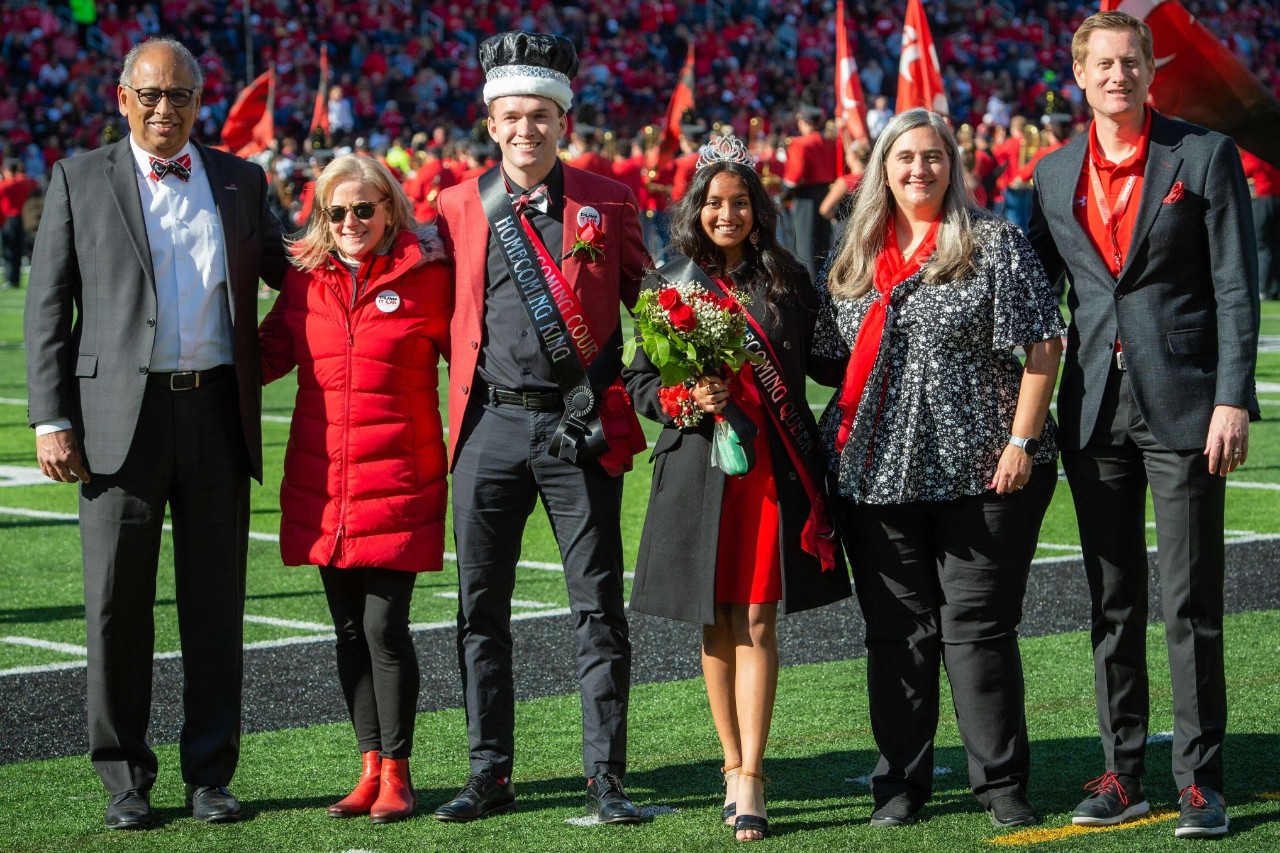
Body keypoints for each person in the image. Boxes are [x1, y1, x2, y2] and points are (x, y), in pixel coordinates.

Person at [23, 36, 287, 830]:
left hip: (215, 412)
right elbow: (47, 310)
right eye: (150, 95)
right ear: (121, 97)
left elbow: (290, 269)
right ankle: (124, 778)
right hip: (114, 424)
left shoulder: (241, 179)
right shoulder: (78, 176)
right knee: (114, 606)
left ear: (199, 101)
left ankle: (211, 773)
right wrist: (51, 417)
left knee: (216, 604)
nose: (163, 109)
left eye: (178, 96)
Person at [1027, 11, 1260, 839]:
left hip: (1190, 406)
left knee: (1189, 599)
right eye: (1104, 64)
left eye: (1131, 61)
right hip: (1093, 409)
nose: (1118, 75)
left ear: (1150, 68)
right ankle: (1122, 772)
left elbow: (1237, 287)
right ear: (1080, 76)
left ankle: (1200, 780)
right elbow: (1032, 297)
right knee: (1112, 600)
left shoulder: (1203, 154)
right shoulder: (1052, 175)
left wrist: (1234, 397)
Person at [813, 108, 1066, 829]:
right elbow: (831, 357)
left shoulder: (993, 242)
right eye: (904, 159)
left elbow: (1043, 346)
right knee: (897, 634)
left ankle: (1002, 784)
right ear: (882, 169)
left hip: (985, 471)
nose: (919, 170)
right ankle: (899, 784)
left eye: (933, 157)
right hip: (876, 476)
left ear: (953, 165)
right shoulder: (855, 251)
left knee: (979, 629)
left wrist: (1020, 442)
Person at [431, 31, 651, 825]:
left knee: (597, 607)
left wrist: (669, 381)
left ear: (564, 119)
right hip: (487, 426)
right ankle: (489, 770)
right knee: (478, 608)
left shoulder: (611, 196)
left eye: (541, 116)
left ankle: (606, 776)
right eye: (512, 116)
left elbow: (651, 309)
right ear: (491, 123)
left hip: (577, 430)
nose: (526, 130)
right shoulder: (456, 204)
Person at [625, 136, 851, 842]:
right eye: (716, 202)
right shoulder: (671, 279)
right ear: (698, 208)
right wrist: (683, 396)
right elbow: (639, 381)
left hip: (770, 473)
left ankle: (753, 770)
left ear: (758, 209)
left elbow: (824, 363)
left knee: (758, 620)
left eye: (741, 202)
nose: (728, 214)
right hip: (697, 471)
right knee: (713, 620)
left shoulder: (785, 277)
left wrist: (856, 293)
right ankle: (729, 763)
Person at [257, 154, 452, 823]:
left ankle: (398, 769)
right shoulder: (304, 280)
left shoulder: (430, 277)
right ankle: (367, 766)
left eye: (363, 209)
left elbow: (477, 357)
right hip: (323, 486)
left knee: (383, 626)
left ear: (391, 209)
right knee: (347, 631)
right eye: (336, 211)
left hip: (399, 478)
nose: (349, 222)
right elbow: (266, 356)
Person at [782, 105, 839, 279]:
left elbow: (795, 175)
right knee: (823, 243)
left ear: (802, 121)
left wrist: (785, 193)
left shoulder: (799, 143)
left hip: (805, 197)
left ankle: (810, 286)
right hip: (826, 193)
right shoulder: (830, 142)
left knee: (805, 246)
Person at [1239, 146, 1280, 301]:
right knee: (1274, 246)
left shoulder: (1254, 152)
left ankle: (1264, 288)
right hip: (1276, 197)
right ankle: (1274, 288)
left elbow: (1246, 169)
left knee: (1262, 246)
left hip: (1263, 199)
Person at [0, 157, 37, 288]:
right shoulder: (25, 181)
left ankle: (10, 279)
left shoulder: (6, 184)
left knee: (9, 251)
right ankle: (15, 279)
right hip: (22, 218)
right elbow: (33, 183)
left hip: (9, 219)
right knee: (18, 250)